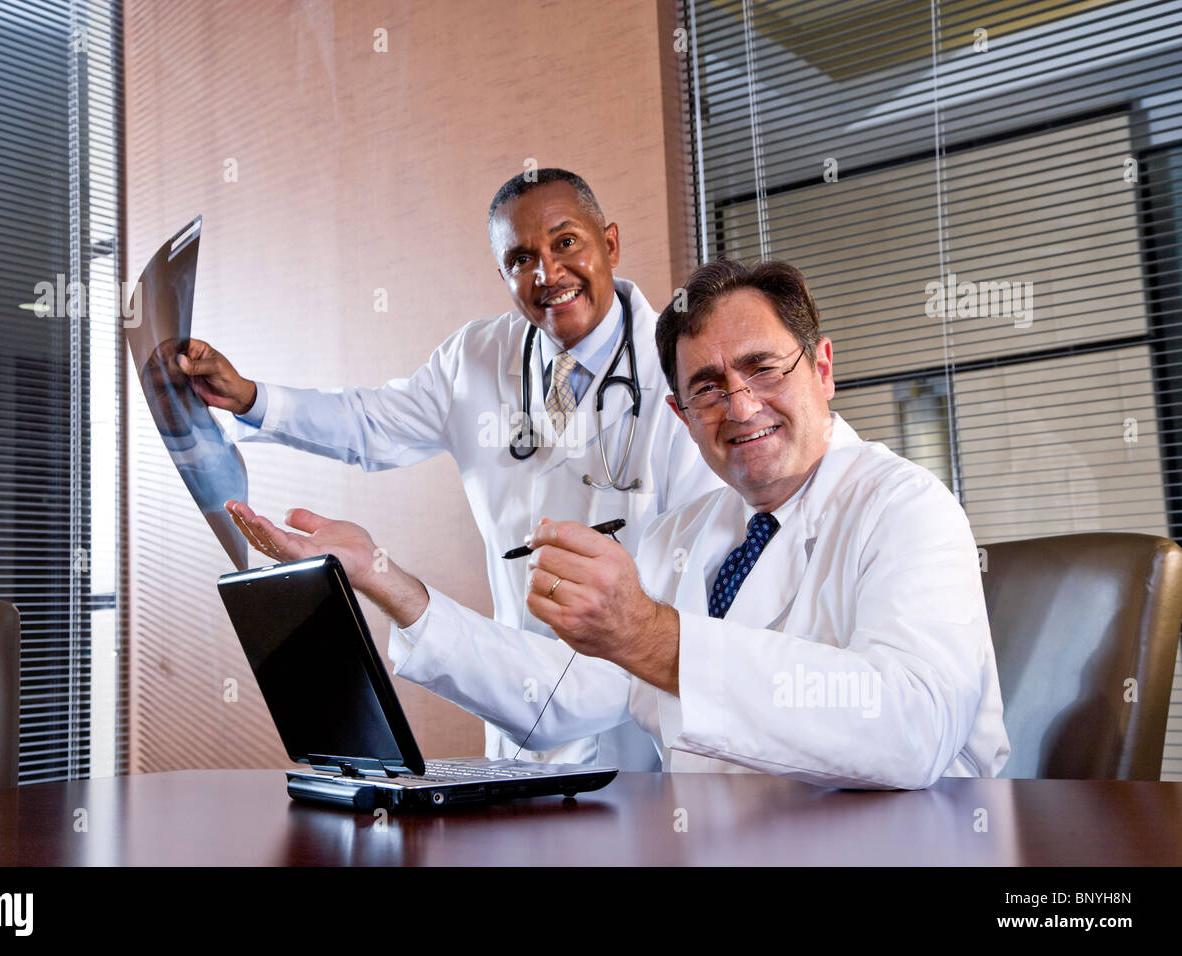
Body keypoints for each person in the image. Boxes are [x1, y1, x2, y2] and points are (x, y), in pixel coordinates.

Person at [243, 258, 1010, 789]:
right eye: (707, 387)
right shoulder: (686, 535)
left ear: (821, 368)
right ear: (679, 414)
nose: (739, 405)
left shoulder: (908, 509)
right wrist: (382, 576)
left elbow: (912, 731)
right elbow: (564, 698)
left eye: (763, 368)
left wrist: (653, 637)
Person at [178, 169, 723, 770]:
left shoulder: (682, 374)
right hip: (517, 712)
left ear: (610, 243)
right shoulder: (477, 358)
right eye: (521, 258)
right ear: (503, 275)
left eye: (566, 241)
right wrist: (253, 398)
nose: (547, 274)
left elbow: (689, 603)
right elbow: (372, 422)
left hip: (639, 733)